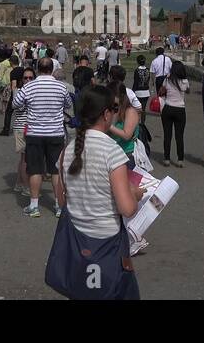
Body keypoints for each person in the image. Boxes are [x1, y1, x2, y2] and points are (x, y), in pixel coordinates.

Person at [55, 85, 145, 296]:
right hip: (107, 242)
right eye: (114, 108)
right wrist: (135, 193)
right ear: (105, 114)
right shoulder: (112, 152)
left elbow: (61, 201)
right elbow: (127, 208)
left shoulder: (67, 150)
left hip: (76, 240)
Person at [13, 58, 72, 218]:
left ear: (38, 69)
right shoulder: (61, 87)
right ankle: (59, 205)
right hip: (55, 133)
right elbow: (67, 105)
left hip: (35, 132)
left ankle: (34, 205)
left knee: (35, 169)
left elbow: (16, 103)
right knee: (55, 171)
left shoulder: (29, 86)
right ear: (52, 69)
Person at [11, 68, 36, 195]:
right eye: (25, 78)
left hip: (30, 127)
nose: (28, 80)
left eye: (31, 78)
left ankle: (19, 183)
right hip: (21, 127)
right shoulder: (19, 91)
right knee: (26, 158)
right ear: (22, 80)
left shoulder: (34, 91)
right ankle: (26, 186)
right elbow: (17, 107)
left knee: (24, 158)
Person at [107, 80, 141, 169]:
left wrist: (108, 126)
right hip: (111, 154)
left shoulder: (130, 111)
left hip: (126, 155)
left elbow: (127, 135)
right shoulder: (112, 109)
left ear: (120, 96)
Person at [0, 55, 23, 136]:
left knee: (8, 112)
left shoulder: (13, 72)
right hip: (24, 92)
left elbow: (14, 85)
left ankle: (6, 130)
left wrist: (13, 96)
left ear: (11, 62)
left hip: (16, 93)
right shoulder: (23, 69)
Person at [131, 55, 152, 122]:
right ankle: (143, 124)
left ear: (137, 62)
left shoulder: (137, 70)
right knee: (143, 109)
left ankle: (136, 123)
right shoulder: (147, 70)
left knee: (137, 109)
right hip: (146, 92)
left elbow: (136, 82)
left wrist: (132, 91)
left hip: (138, 92)